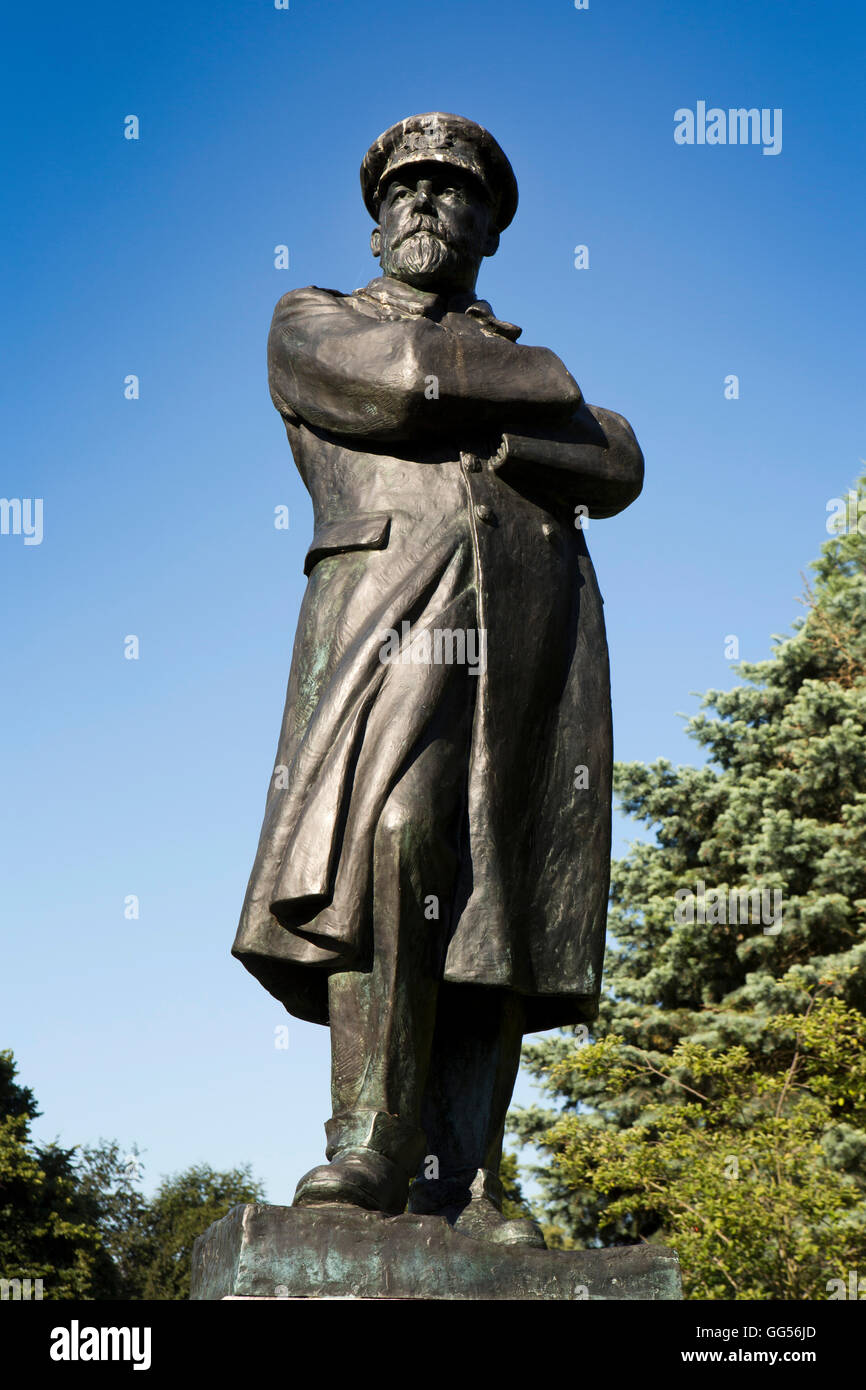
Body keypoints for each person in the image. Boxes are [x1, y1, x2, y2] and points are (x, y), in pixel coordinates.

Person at [233, 112, 643, 1245]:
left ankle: (466, 1174)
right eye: (403, 189)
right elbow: (400, 380)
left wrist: (525, 424)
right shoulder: (311, 319)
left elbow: (618, 459)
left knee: (496, 887)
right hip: (388, 625)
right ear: (373, 223)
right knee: (393, 841)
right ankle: (372, 1137)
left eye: (450, 191)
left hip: (529, 647)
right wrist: (540, 389)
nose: (422, 202)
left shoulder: (499, 349)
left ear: (487, 229)